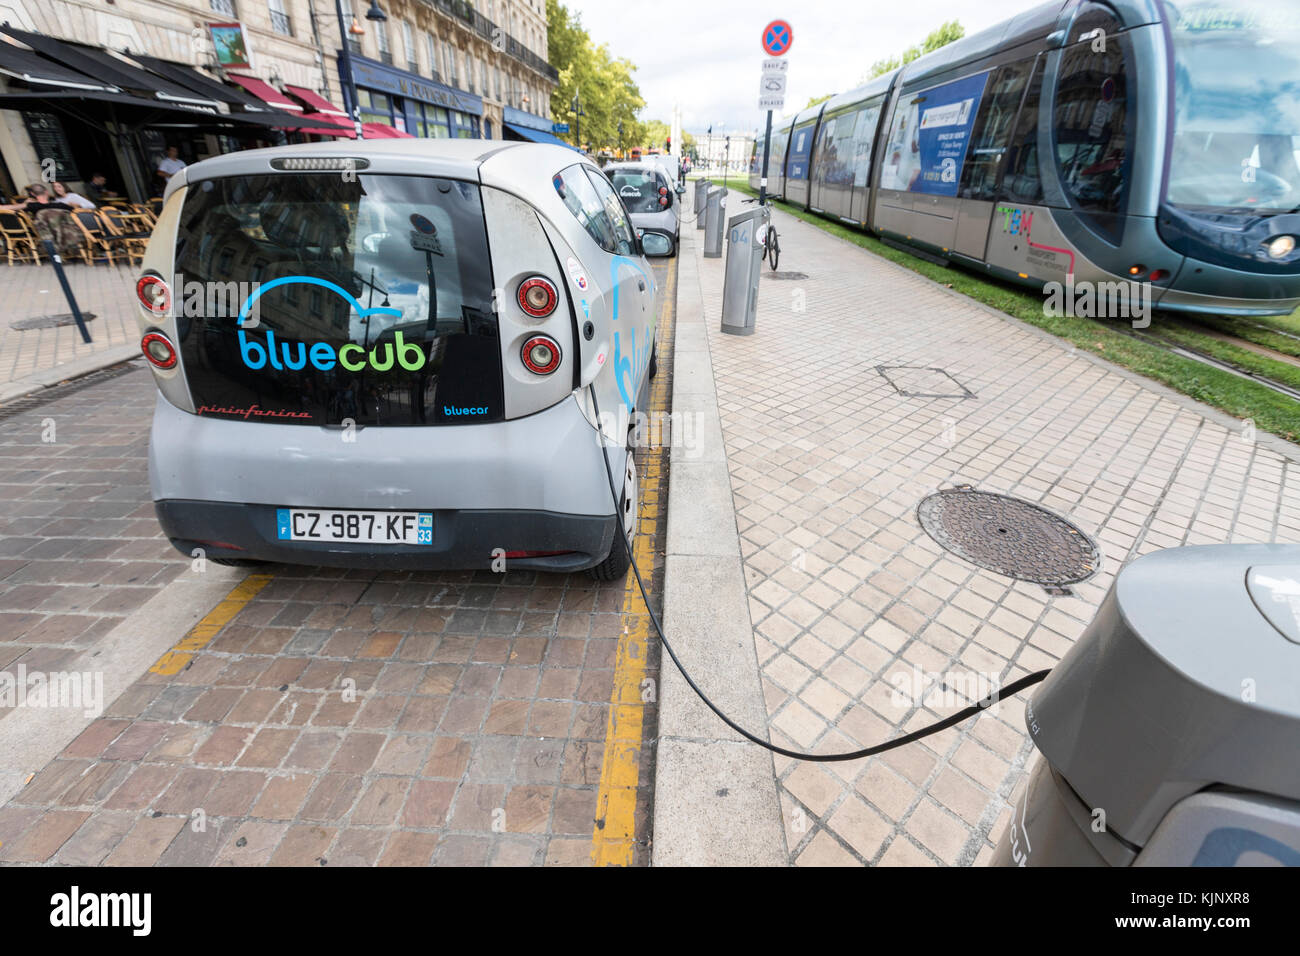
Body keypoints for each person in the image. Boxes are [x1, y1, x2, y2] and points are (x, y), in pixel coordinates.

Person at [0, 183, 80, 258]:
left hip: (44, 233)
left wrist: (24, 203)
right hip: (65, 232)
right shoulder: (61, 205)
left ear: (33, 194)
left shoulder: (32, 205)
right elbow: (78, 211)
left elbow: (4, 208)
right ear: (47, 192)